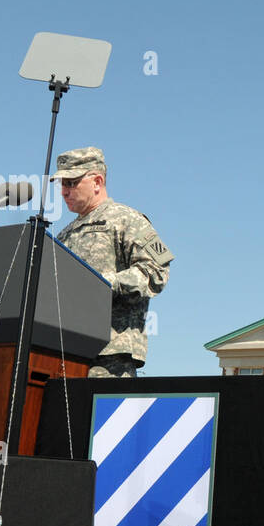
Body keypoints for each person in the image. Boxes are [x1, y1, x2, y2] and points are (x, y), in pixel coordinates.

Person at [52, 147, 173, 377]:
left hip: (109, 354)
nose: (64, 192)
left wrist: (104, 284)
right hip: (64, 352)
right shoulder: (64, 235)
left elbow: (156, 271)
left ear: (97, 181)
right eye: (62, 185)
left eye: (71, 183)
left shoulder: (127, 220)